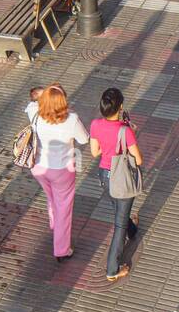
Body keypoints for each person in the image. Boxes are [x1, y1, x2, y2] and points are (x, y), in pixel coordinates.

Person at [26, 85, 89, 261]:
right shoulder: (71, 119)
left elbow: (32, 100)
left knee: (51, 195)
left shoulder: (35, 113)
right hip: (62, 170)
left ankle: (53, 221)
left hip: (38, 167)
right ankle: (62, 249)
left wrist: (44, 93)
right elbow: (84, 139)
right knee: (64, 208)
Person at [89, 88, 143, 283]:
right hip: (121, 178)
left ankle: (133, 230)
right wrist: (127, 137)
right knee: (119, 223)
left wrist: (110, 145)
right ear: (120, 107)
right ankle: (112, 269)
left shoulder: (95, 124)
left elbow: (94, 152)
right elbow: (138, 159)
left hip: (104, 176)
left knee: (119, 209)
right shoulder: (125, 131)